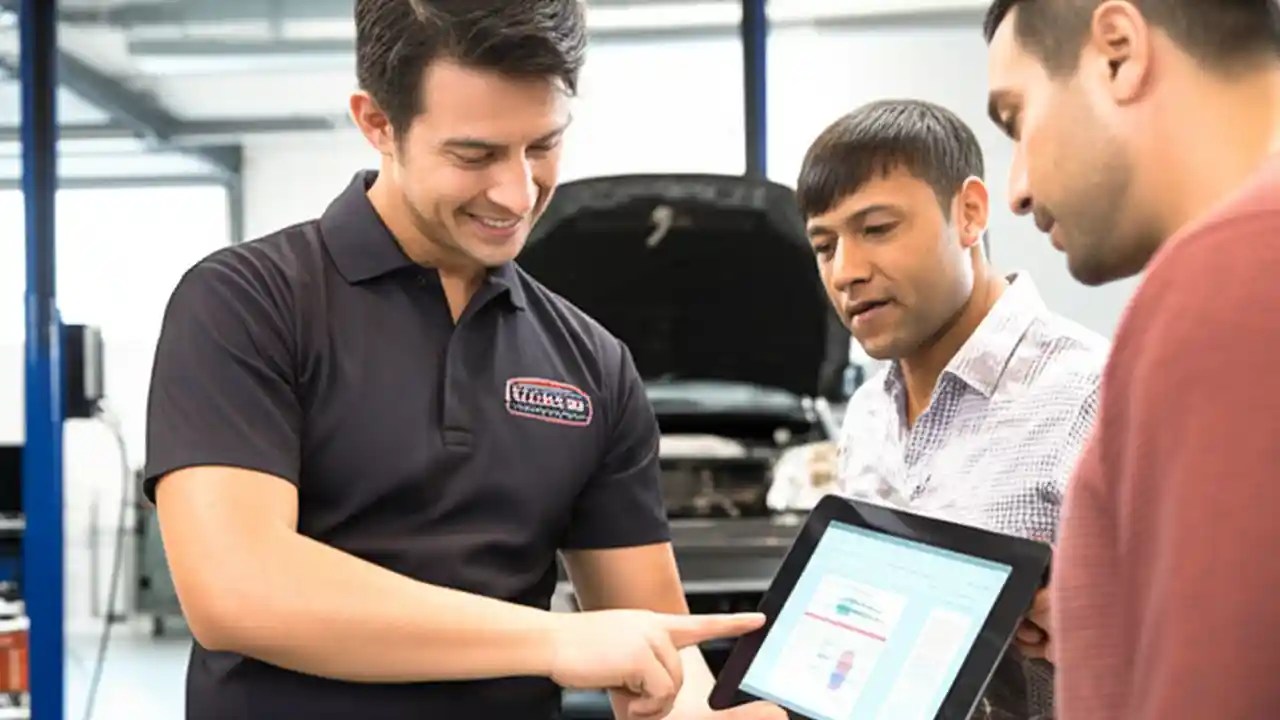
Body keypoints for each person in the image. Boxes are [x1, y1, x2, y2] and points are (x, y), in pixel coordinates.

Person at [142, 2, 785, 719]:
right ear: (377, 123)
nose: (517, 193)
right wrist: (551, 641)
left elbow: (659, 645)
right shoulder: (246, 302)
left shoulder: (592, 363)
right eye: (474, 155)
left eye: (543, 145)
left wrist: (704, 712)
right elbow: (239, 589)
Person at [984, 0, 1280, 717]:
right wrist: (1112, 625)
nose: (1017, 190)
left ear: (1117, 52)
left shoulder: (1230, 273)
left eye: (1016, 119)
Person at [795, 99, 1109, 719]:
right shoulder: (865, 416)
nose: (846, 272)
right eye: (825, 245)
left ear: (968, 213)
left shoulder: (1096, 396)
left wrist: (1101, 626)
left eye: (877, 229)